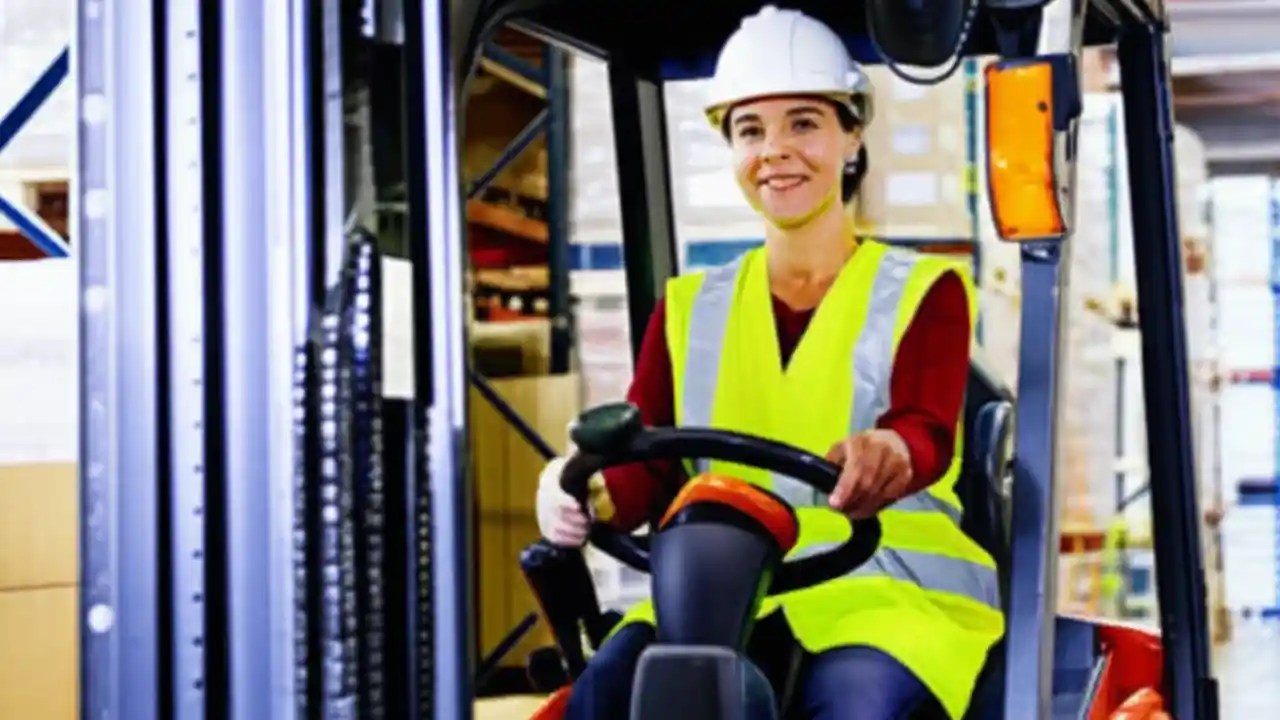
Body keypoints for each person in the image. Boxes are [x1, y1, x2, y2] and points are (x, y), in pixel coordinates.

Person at [535, 6, 1004, 719]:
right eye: (751, 130)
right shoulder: (689, 307)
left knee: (854, 704)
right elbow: (647, 466)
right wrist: (581, 490)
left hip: (884, 592)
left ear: (853, 134)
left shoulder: (922, 291)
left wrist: (889, 449)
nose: (776, 150)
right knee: (604, 690)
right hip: (713, 597)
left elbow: (926, 428)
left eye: (804, 123)